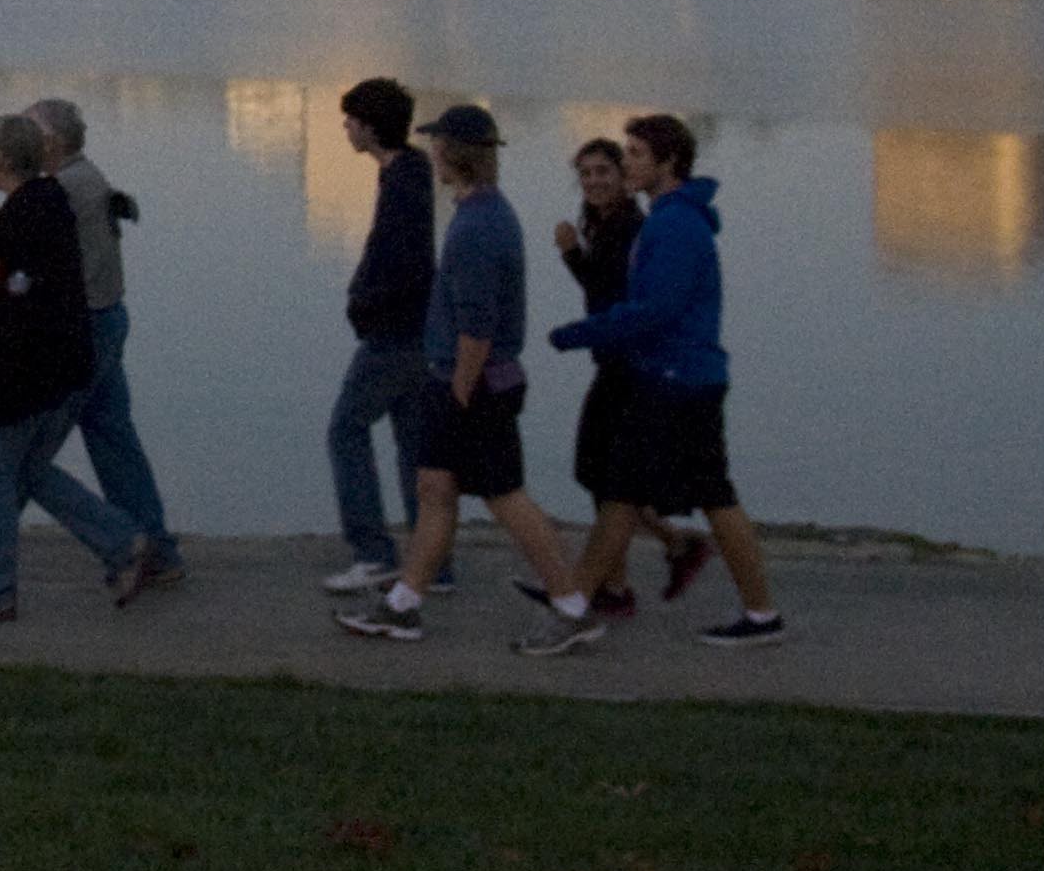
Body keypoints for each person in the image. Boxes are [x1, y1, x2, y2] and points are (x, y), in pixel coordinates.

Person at [334, 106, 601, 653]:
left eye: (437, 145)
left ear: (456, 154)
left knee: (506, 499)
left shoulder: (478, 228)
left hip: (475, 386)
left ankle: (571, 606)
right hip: (456, 381)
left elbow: (477, 330)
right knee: (434, 490)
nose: (431, 153)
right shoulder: (482, 212)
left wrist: (458, 395)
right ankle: (404, 604)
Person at [547, 114, 787, 647]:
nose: (626, 162)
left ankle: (575, 608)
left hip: (678, 379)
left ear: (668, 162)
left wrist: (579, 333)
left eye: (634, 154)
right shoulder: (668, 218)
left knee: (688, 495)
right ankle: (578, 604)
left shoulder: (675, 225)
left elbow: (655, 310)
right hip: (673, 374)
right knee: (633, 493)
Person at [0, 98, 180, 584]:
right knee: (110, 440)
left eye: (30, 128)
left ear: (52, 142)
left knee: (20, 455)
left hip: (83, 332)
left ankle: (123, 546)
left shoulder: (59, 192)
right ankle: (156, 551)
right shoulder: (82, 180)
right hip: (102, 322)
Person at [553, 137, 703, 612]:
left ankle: (618, 584)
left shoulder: (627, 228)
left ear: (623, 178)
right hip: (615, 360)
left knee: (600, 472)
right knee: (601, 473)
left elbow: (615, 297)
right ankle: (665, 550)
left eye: (604, 172)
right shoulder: (607, 223)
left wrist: (572, 255)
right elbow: (604, 293)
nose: (594, 181)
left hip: (626, 365)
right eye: (587, 172)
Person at [321, 75, 448, 595]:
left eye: (351, 119)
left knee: (345, 430)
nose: (346, 127)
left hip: (395, 336)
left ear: (371, 128)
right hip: (421, 334)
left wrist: (365, 304)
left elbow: (402, 263)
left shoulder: (402, 183)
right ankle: (433, 563)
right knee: (413, 443)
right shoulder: (412, 170)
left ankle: (373, 552)